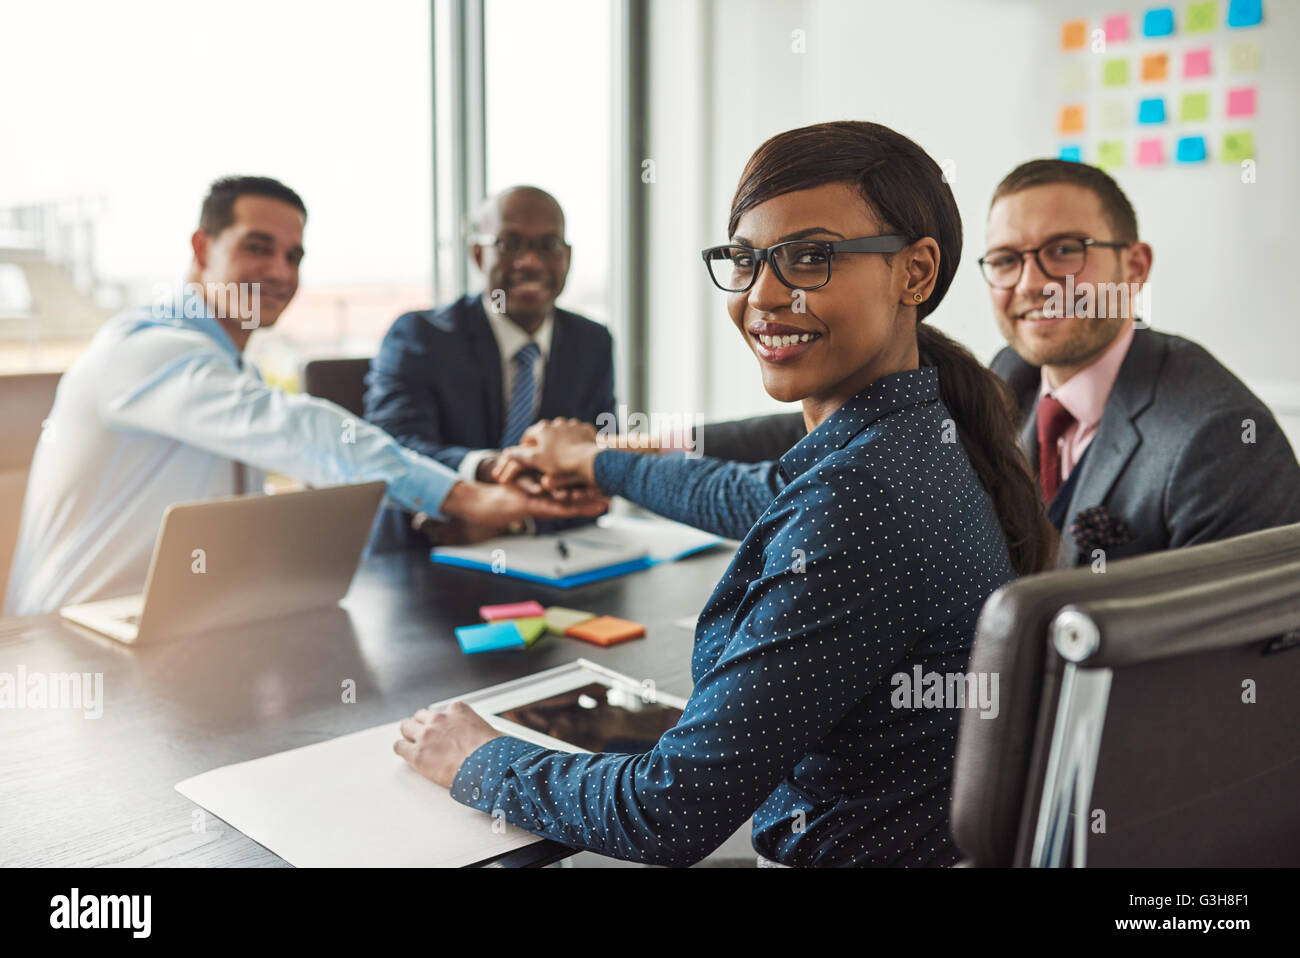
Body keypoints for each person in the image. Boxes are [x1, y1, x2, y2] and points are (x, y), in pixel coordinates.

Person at [394, 121, 1055, 867]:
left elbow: (662, 813)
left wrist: (479, 758)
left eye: (811, 258)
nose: (764, 297)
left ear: (916, 272)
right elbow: (751, 493)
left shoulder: (862, 495)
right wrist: (598, 461)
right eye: (745, 261)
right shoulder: (914, 433)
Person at [4, 176, 604, 617]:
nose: (281, 271)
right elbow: (297, 428)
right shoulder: (145, 349)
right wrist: (464, 493)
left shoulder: (227, 369)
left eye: (294, 255)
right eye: (256, 247)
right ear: (200, 248)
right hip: (66, 642)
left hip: (176, 632)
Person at [981, 159, 1300, 567]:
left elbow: (1234, 628)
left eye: (1064, 251)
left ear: (1134, 267)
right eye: (1006, 260)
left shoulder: (1220, 438)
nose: (1029, 284)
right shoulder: (1008, 375)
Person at [363, 186, 614, 550]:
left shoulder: (592, 343)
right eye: (509, 244)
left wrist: (510, 523)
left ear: (568, 257)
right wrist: (490, 467)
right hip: (425, 554)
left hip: (545, 558)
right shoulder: (420, 337)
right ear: (478, 254)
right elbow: (395, 449)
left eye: (549, 245)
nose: (530, 262)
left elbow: (600, 470)